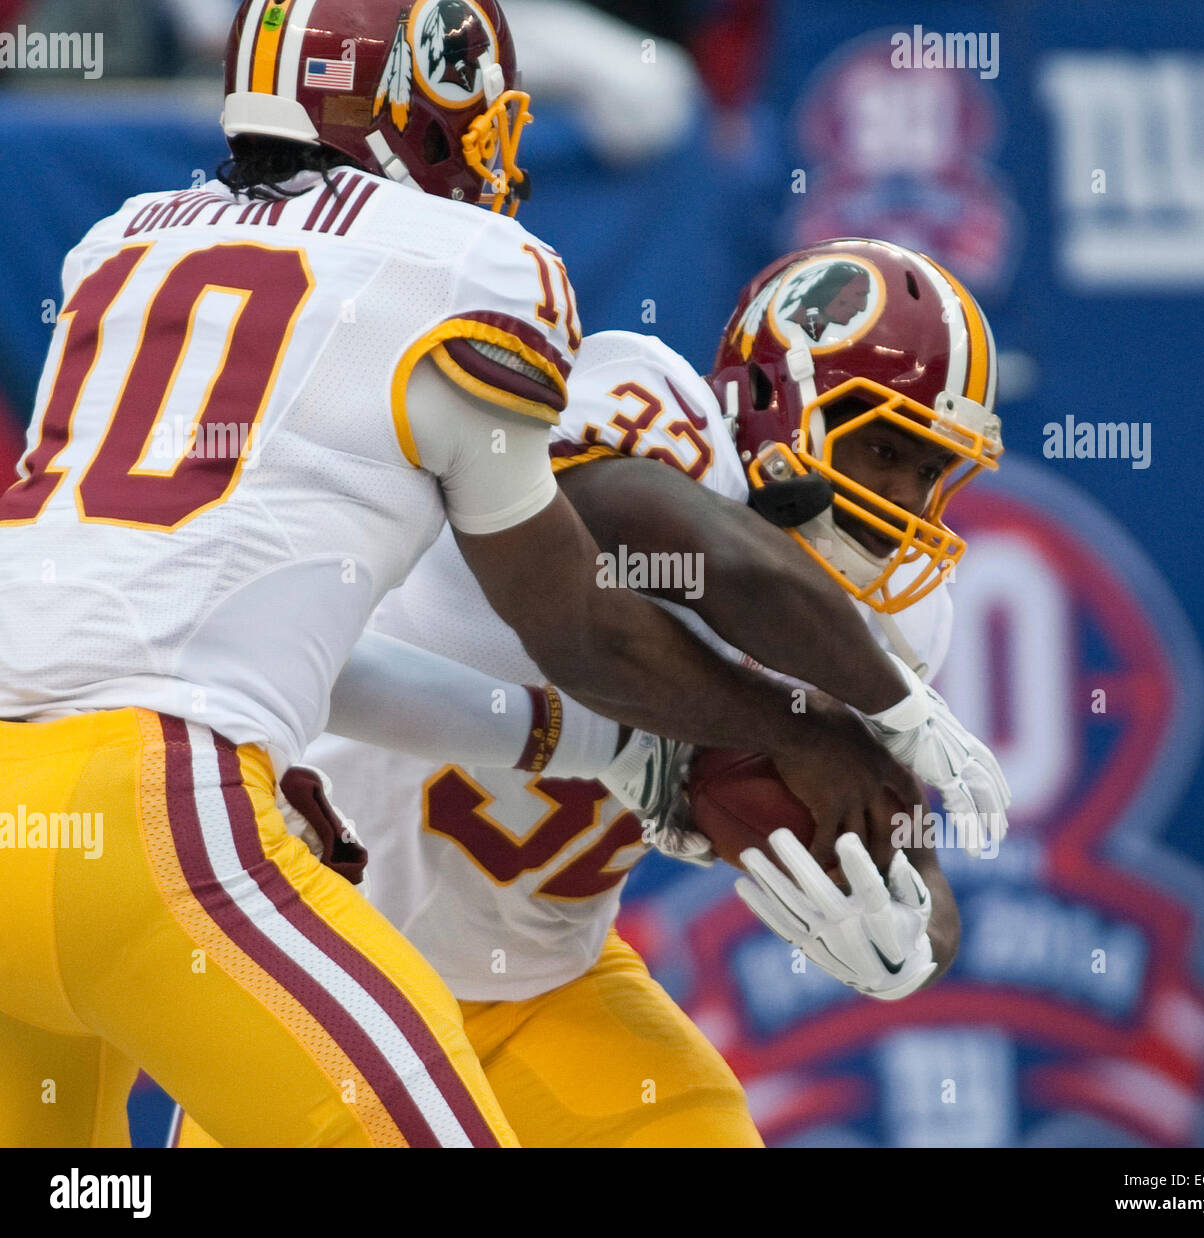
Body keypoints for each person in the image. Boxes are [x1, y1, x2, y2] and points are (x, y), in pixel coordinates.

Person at [0, 2, 917, 1149]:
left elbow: (132, 591)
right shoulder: (471, 266)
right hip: (158, 823)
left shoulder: (119, 244)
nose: (490, 152)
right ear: (417, 106)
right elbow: (581, 624)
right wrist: (790, 725)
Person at [177, 237, 1011, 1148]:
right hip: (325, 955)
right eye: (882, 446)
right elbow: (689, 559)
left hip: (538, 985)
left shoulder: (893, 624)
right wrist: (841, 712)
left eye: (930, 470)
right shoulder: (657, 422)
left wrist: (909, 944)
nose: (904, 497)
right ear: (774, 400)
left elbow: (908, 845)